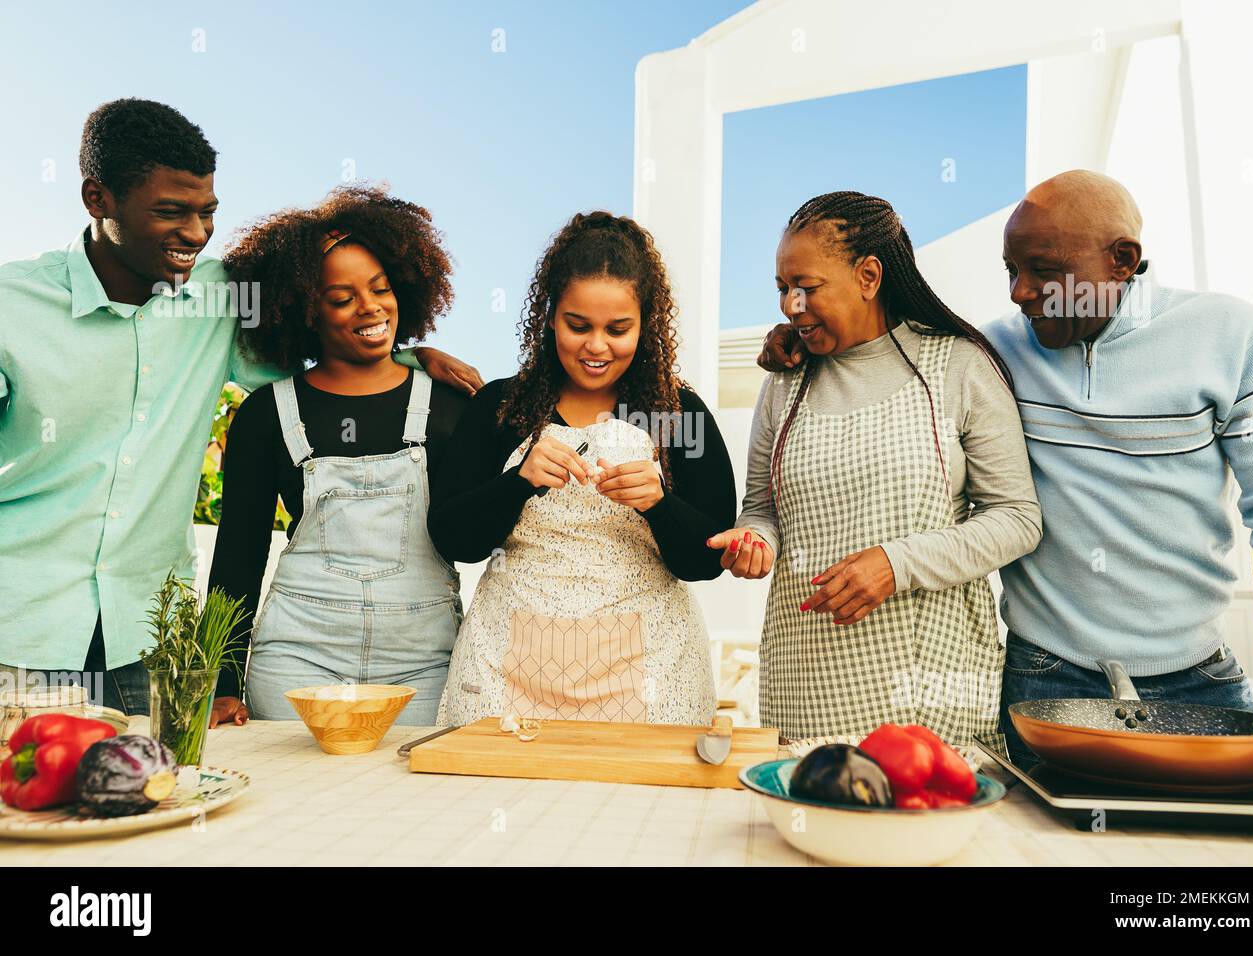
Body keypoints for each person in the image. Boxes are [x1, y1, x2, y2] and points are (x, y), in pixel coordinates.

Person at [759, 172, 1253, 762]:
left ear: (1122, 261)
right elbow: (888, 354)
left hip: (1198, 679)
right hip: (1043, 682)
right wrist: (803, 329)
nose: (1019, 292)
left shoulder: (1229, 337)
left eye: (1042, 270)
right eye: (1010, 270)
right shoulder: (996, 353)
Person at [0, 99, 481, 717]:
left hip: (150, 644)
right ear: (98, 200)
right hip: (18, 633)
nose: (196, 234)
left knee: (151, 802)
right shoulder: (13, 308)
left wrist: (415, 358)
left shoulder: (223, 296)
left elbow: (325, 356)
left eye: (206, 213)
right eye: (170, 212)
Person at [719, 192, 1042, 749]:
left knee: (927, 821)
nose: (790, 305)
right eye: (781, 288)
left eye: (807, 286)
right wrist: (755, 541)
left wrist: (896, 563)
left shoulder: (958, 366)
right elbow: (762, 509)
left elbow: (1017, 519)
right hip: (805, 681)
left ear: (868, 275)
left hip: (931, 684)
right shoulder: (783, 382)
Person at [430, 211, 736, 725]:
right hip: (509, 669)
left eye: (618, 329)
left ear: (646, 324)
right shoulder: (499, 406)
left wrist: (660, 504)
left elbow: (708, 558)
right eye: (578, 326)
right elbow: (454, 539)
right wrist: (518, 482)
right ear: (550, 316)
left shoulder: (678, 414)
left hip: (649, 671)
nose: (596, 347)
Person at [206, 186, 467, 725]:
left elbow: (476, 531)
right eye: (343, 298)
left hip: (425, 663)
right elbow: (238, 555)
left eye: (380, 288)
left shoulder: (449, 406)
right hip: (297, 657)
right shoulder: (264, 415)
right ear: (305, 312)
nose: (371, 308)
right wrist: (223, 680)